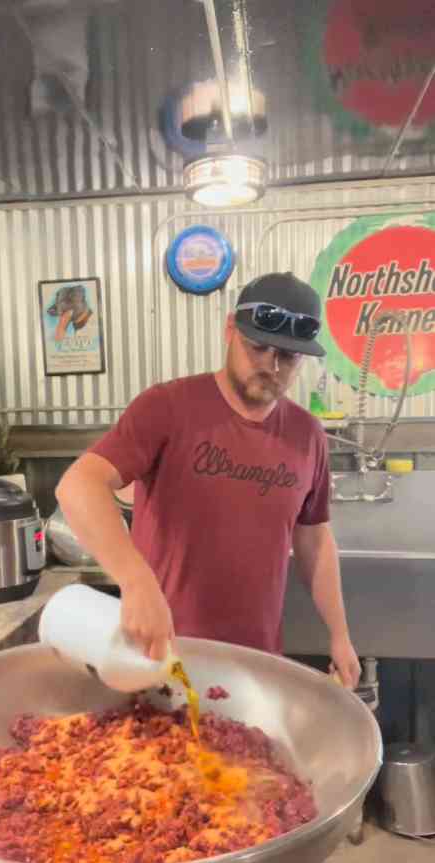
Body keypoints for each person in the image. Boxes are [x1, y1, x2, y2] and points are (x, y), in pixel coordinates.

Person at [56, 272, 361, 688]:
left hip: (256, 661)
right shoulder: (167, 407)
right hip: (160, 657)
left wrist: (340, 634)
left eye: (288, 357)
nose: (271, 366)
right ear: (230, 330)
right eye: (258, 347)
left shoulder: (308, 435)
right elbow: (78, 485)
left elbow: (314, 538)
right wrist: (136, 581)